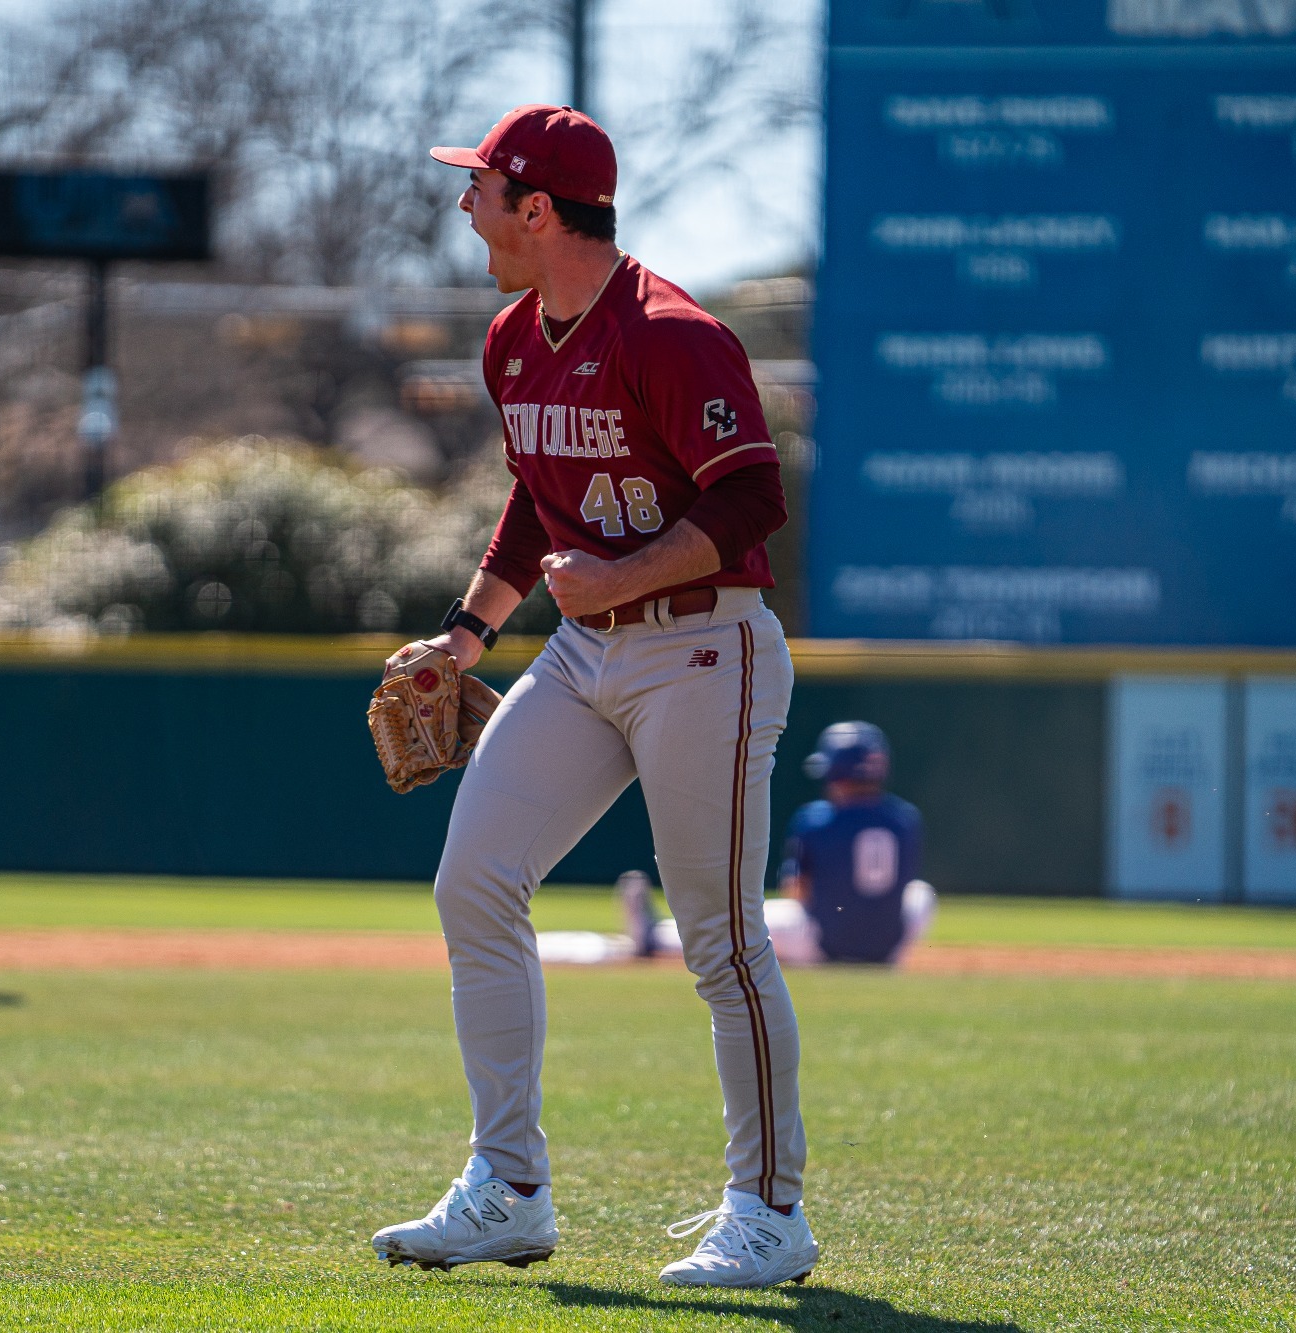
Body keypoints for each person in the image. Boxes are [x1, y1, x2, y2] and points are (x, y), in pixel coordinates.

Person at [370, 104, 815, 1289]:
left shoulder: (670, 333)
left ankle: (769, 1210)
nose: (464, 203)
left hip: (700, 651)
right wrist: (469, 631)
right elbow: (535, 493)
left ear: (538, 207)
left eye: (481, 186)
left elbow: (749, 504)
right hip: (581, 654)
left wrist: (614, 576)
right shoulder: (514, 337)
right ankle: (507, 1187)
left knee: (719, 941)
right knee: (473, 880)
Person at [629, 723, 934, 967]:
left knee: (753, 919)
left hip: (821, 947)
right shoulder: (906, 819)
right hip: (889, 951)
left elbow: (796, 890)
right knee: (922, 893)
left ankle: (657, 938)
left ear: (837, 773)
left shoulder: (816, 819)